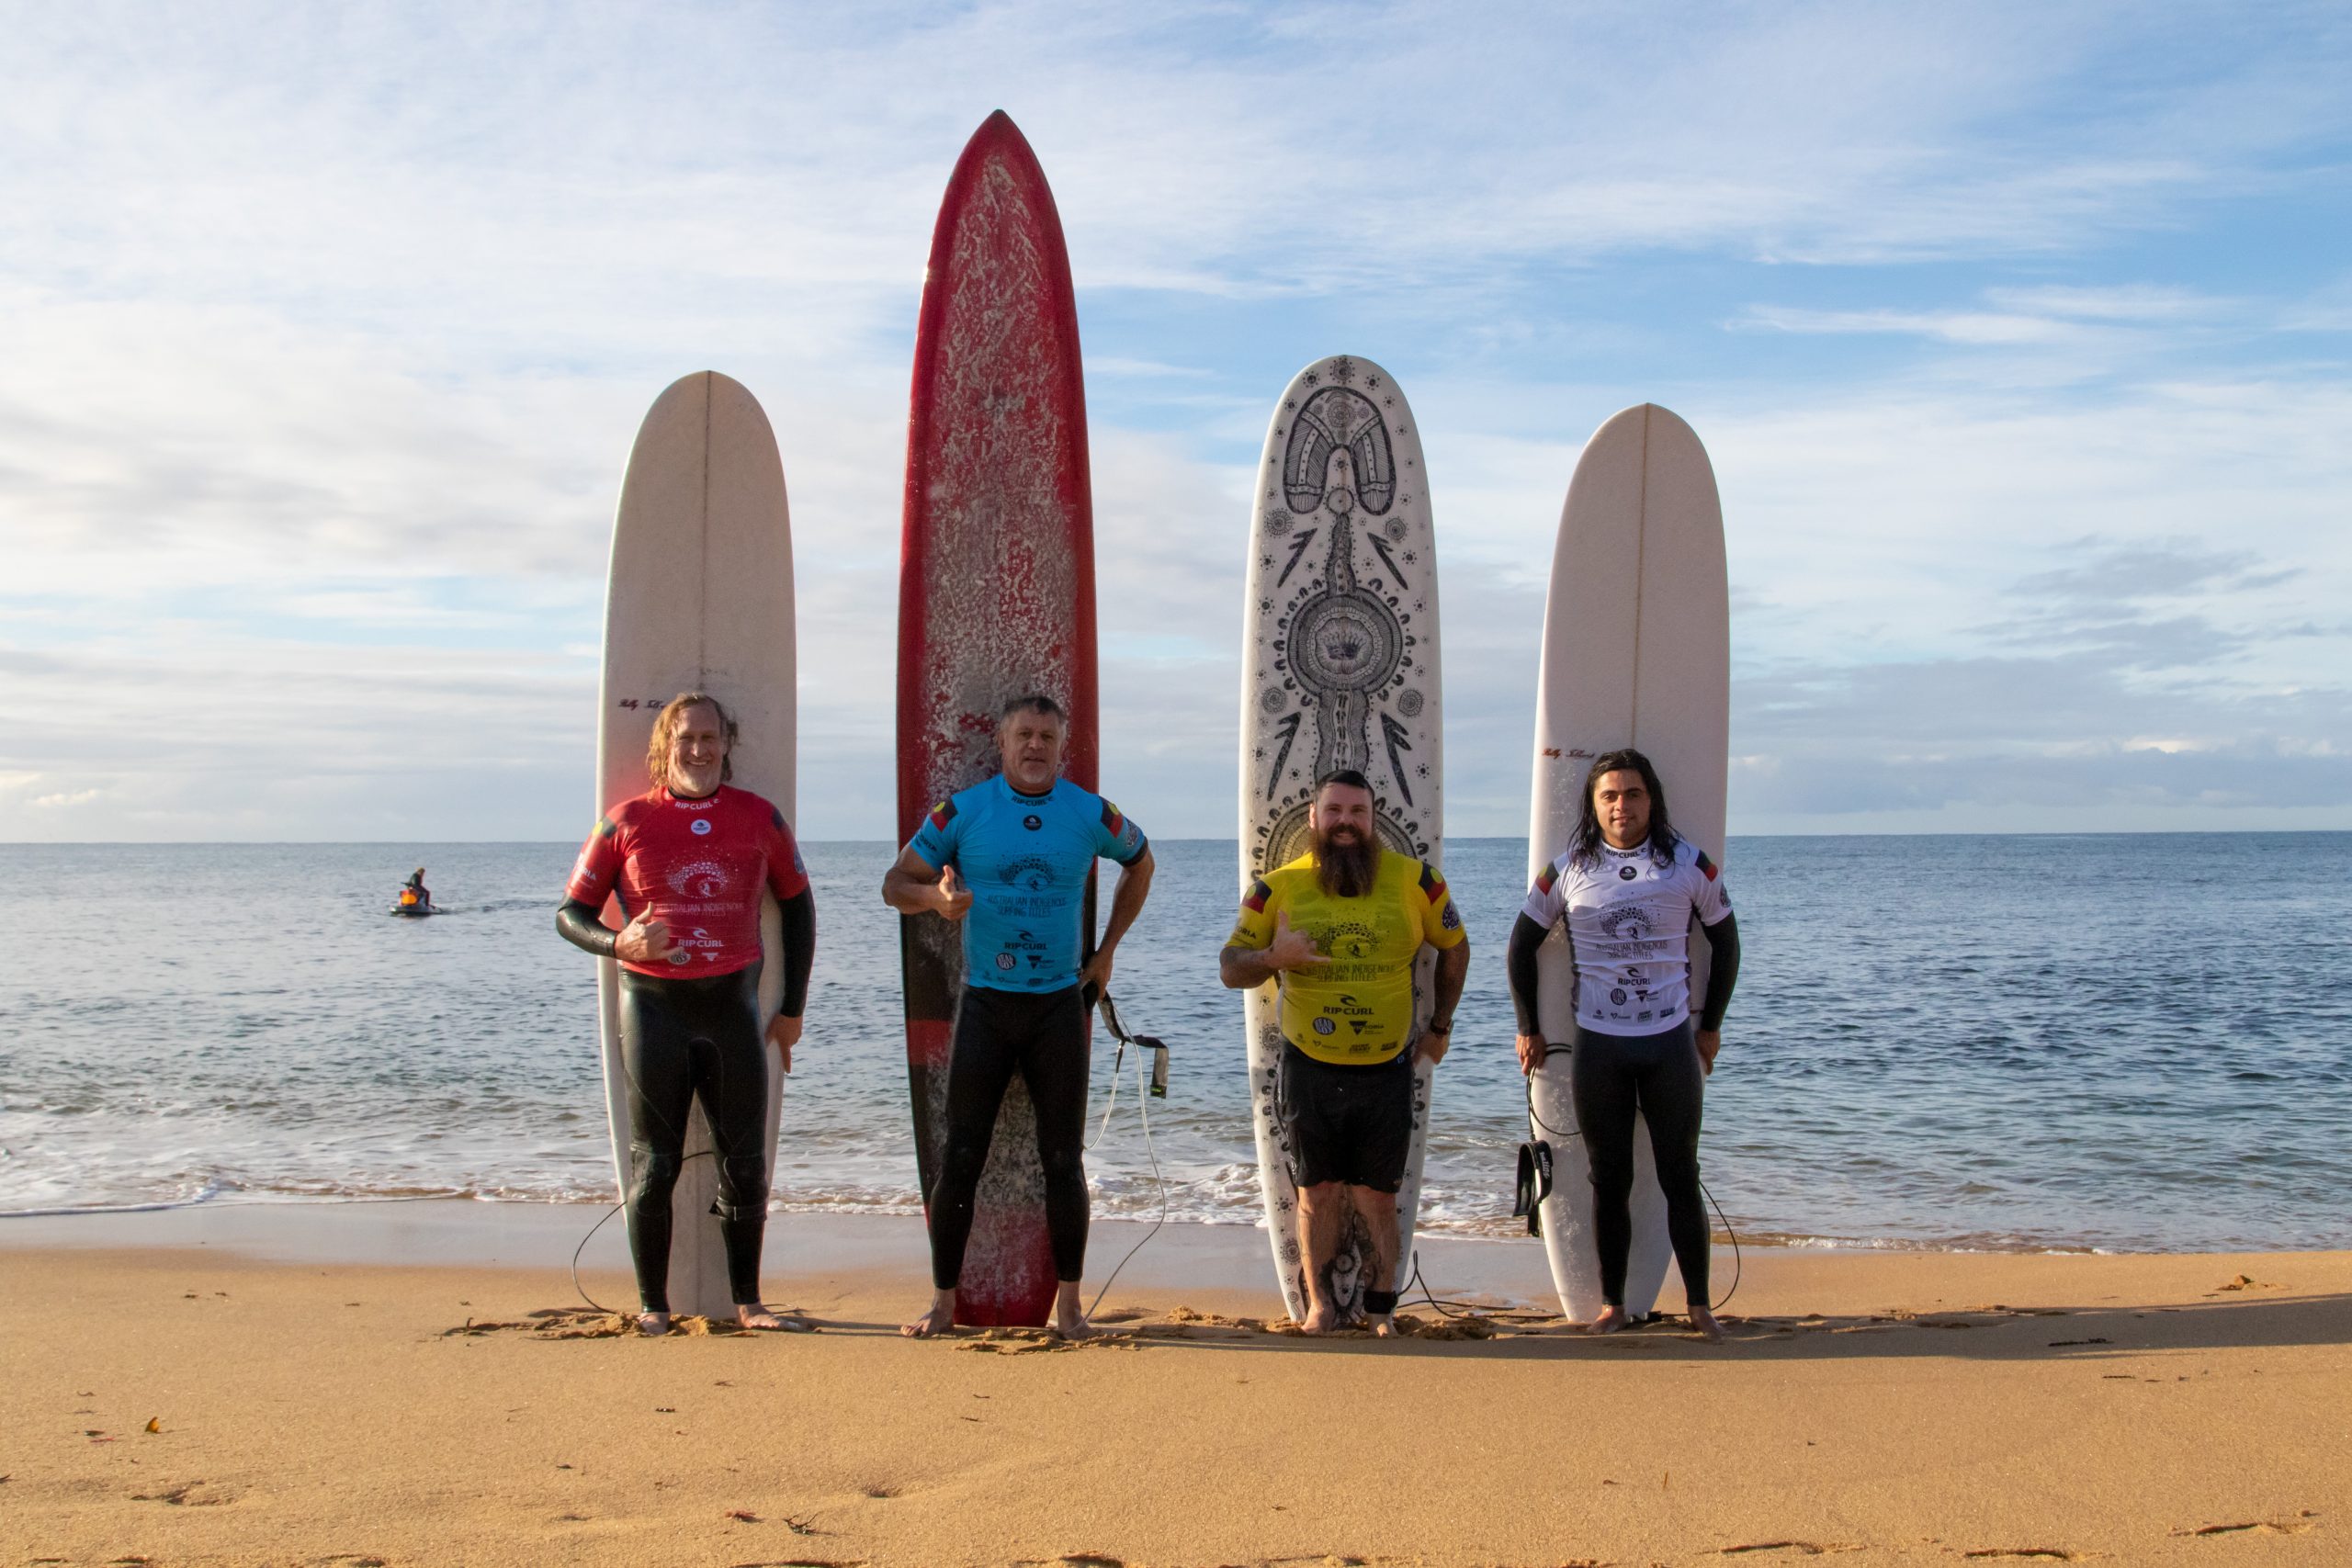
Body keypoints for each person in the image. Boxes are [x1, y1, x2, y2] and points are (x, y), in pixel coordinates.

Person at [884, 694, 1155, 1340]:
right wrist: (936, 901)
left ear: (1063, 747)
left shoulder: (1089, 812)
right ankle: (944, 1302)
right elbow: (895, 882)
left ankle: (1069, 1306)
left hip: (1058, 1005)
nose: (1035, 746)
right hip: (985, 1004)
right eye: (1023, 735)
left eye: (1047, 737)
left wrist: (1108, 948)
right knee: (963, 1156)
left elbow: (1142, 861)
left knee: (1063, 1159)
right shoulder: (965, 810)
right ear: (1001, 745)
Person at [555, 692, 817, 1337]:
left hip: (732, 1007)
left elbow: (801, 907)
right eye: (684, 739)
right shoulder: (624, 822)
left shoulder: (761, 818)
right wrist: (618, 942)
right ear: (663, 748)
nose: (697, 749)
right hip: (653, 1009)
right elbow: (569, 915)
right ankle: (653, 1305)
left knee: (745, 1162)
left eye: (708, 737)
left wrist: (791, 1009)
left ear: (726, 744)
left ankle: (750, 1303)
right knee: (657, 1163)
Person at [1219, 769, 1470, 1337]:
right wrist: (1273, 958)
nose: (1345, 823)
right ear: (1313, 818)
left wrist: (1441, 1026)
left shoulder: (1419, 881)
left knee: (1378, 1198)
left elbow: (1455, 949)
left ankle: (1382, 1310)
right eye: (1334, 811)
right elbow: (1230, 967)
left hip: (1386, 1066)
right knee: (1317, 1194)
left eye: (1357, 812)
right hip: (1309, 1065)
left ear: (1373, 819)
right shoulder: (1275, 888)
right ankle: (1320, 1308)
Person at [1505, 747, 1740, 1342]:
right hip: (1600, 1046)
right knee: (1609, 1179)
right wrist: (1528, 1025)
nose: (1621, 805)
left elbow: (1727, 942)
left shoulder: (1689, 863)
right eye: (1609, 795)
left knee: (1678, 1174)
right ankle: (1612, 1302)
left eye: (1632, 794)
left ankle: (1700, 1304)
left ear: (1650, 799)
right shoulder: (1569, 869)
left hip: (1669, 1044)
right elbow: (1520, 946)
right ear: (1594, 803)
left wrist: (1710, 1025)